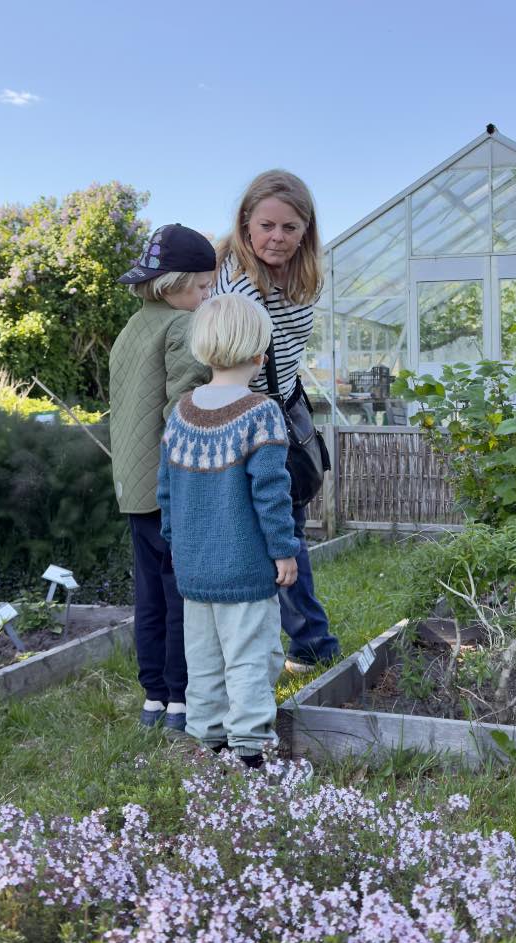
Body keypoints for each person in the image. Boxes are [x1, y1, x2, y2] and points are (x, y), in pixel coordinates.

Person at [157, 294, 299, 768]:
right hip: (244, 566)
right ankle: (251, 750)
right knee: (250, 659)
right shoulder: (260, 413)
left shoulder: (180, 412)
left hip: (193, 568)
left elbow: (166, 493)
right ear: (260, 354)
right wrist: (284, 550)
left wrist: (176, 546)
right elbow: (272, 493)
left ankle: (208, 738)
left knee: (203, 659)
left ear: (203, 348)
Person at [213, 170, 340, 672]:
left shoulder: (303, 273)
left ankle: (305, 643)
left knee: (286, 525)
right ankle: (304, 645)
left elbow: (288, 351)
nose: (278, 238)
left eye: (291, 228)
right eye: (266, 226)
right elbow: (230, 354)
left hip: (286, 400)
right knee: (274, 529)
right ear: (246, 223)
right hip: (247, 411)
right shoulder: (236, 279)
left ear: (306, 230)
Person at [110, 223, 216, 732]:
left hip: (131, 484)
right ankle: (181, 698)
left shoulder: (132, 329)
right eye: (200, 287)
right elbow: (184, 403)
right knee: (181, 595)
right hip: (169, 482)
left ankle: (151, 696)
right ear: (171, 285)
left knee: (149, 595)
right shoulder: (180, 327)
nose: (205, 297)